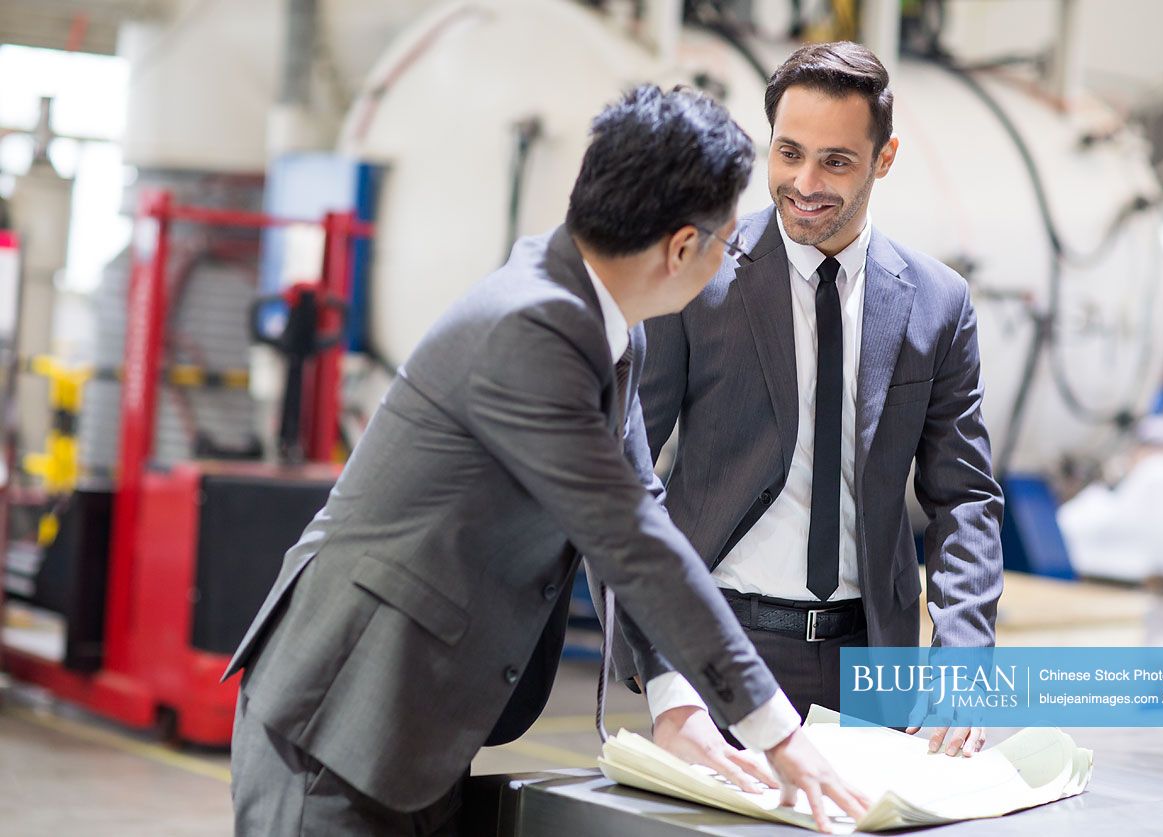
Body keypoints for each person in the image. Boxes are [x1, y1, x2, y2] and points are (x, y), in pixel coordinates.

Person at [224, 84, 868, 836]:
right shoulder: (530, 327)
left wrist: (677, 699)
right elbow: (630, 541)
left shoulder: (604, 323)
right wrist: (777, 732)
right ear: (682, 248)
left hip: (417, 718)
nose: (729, 261)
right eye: (729, 241)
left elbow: (639, 510)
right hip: (339, 715)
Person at [599, 42, 1005, 780]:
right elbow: (618, 480)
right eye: (787, 153)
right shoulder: (697, 271)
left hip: (872, 659)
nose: (804, 183)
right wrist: (650, 660)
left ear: (883, 160)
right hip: (719, 644)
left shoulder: (937, 303)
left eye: (836, 162)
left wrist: (963, 658)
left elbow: (965, 497)